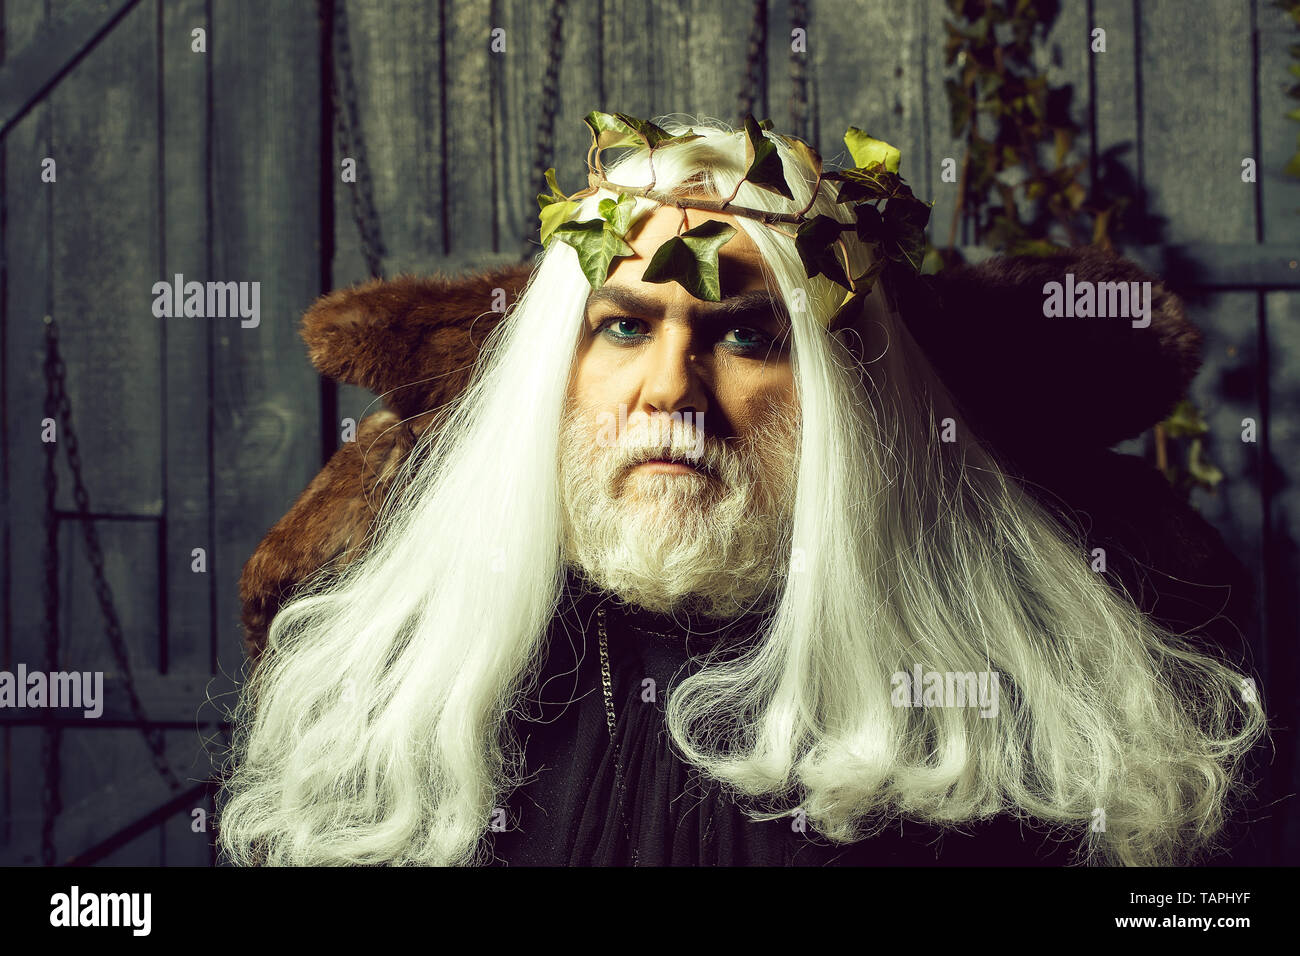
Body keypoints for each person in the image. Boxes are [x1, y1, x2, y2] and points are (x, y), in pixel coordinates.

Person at [219, 114, 1268, 867]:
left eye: (746, 336)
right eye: (623, 326)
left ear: (841, 398)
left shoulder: (1000, 714)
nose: (669, 388)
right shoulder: (412, 684)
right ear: (555, 371)